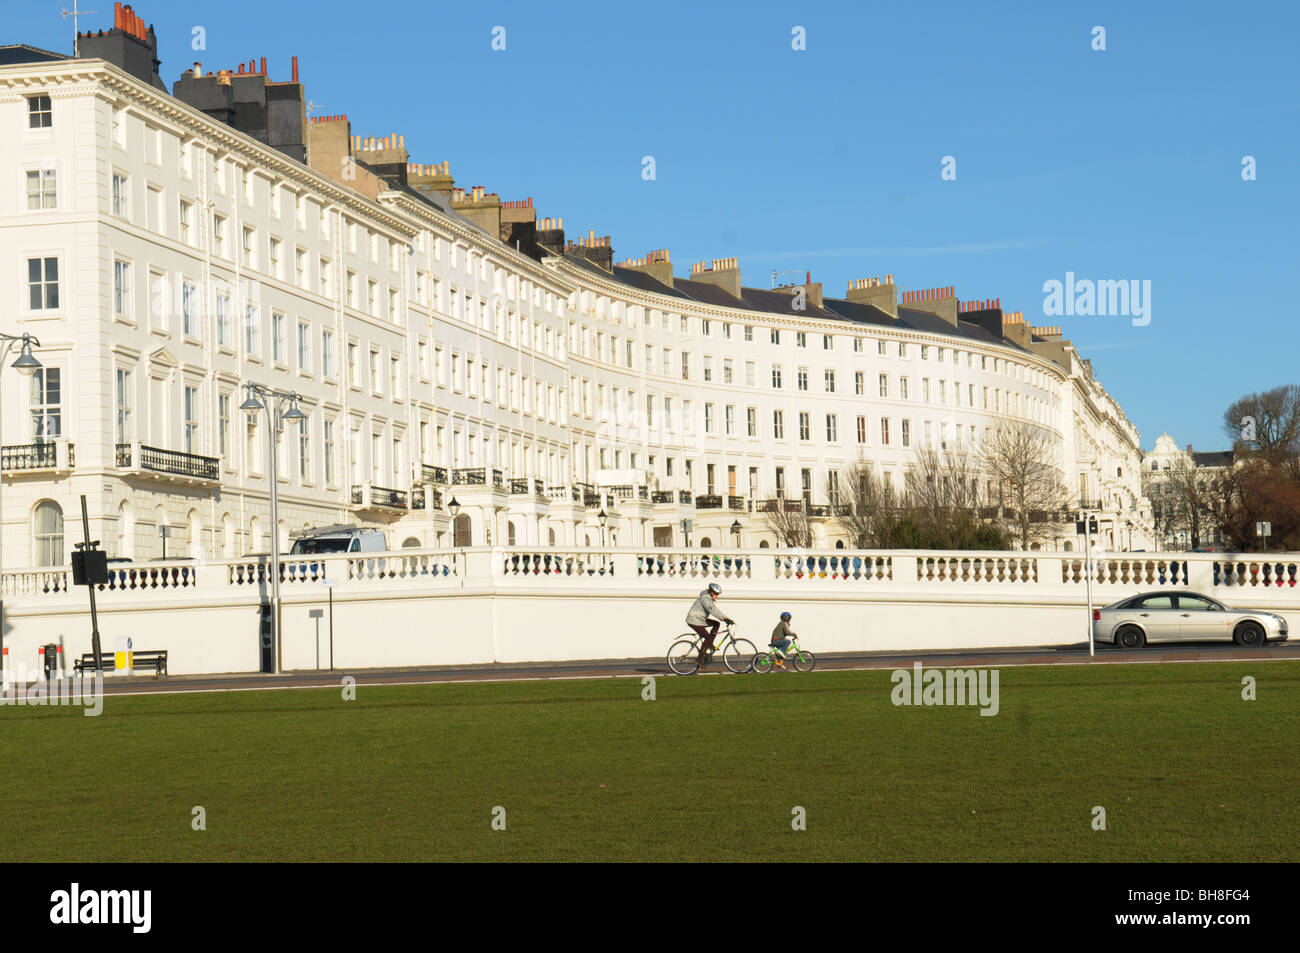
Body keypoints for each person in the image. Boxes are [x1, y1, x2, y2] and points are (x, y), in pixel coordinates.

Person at [685, 582, 733, 666]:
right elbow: (714, 610)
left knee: (716, 624)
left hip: (700, 619)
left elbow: (715, 609)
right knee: (707, 637)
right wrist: (725, 619)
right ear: (711, 592)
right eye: (716, 594)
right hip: (693, 620)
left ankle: (710, 643)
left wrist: (725, 618)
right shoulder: (706, 599)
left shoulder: (708, 598)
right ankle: (700, 658)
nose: (717, 596)